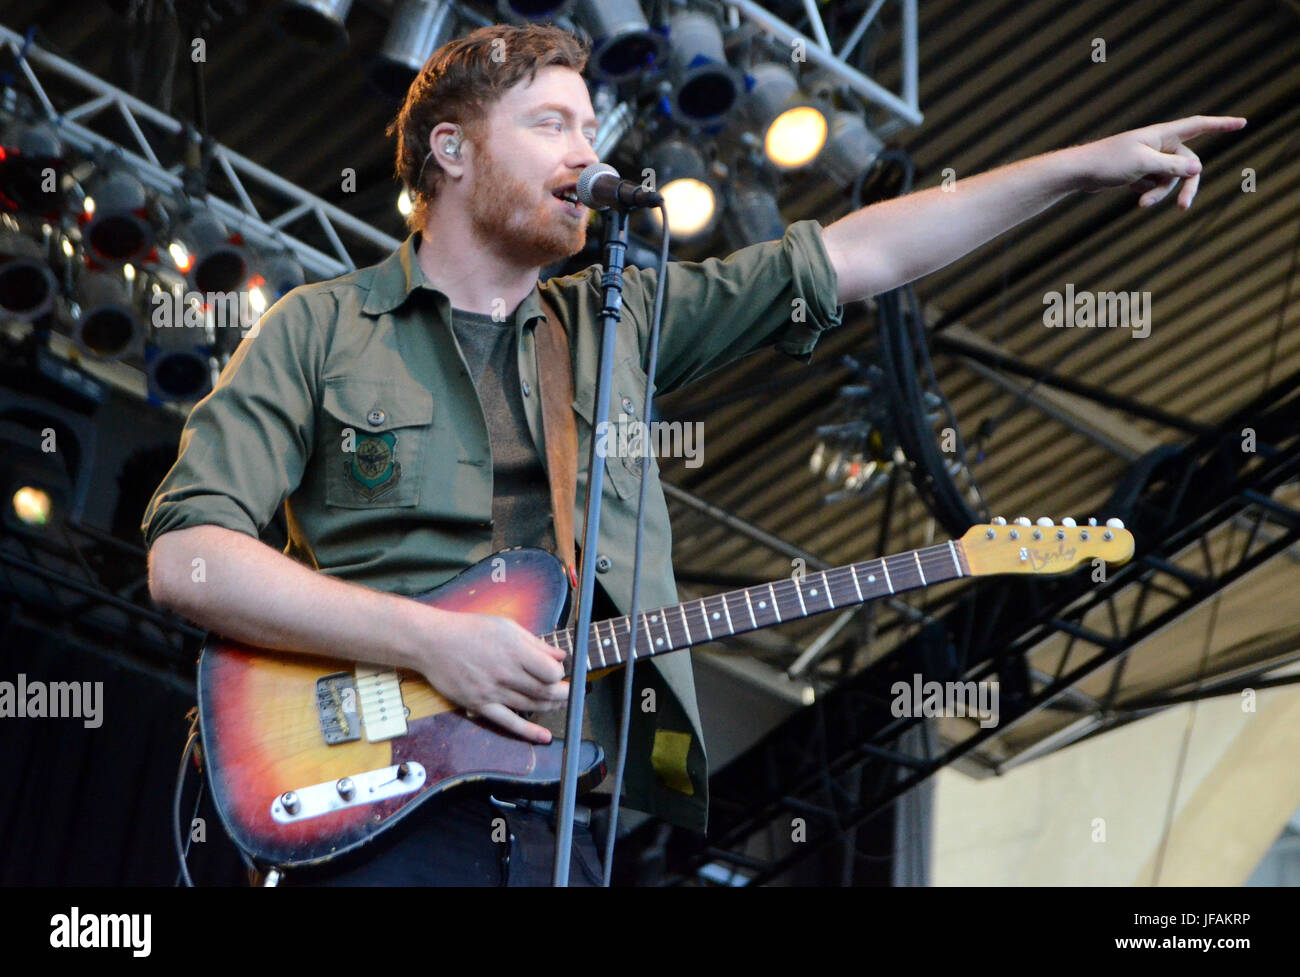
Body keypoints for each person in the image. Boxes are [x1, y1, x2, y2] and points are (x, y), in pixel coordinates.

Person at [141, 21, 1245, 885]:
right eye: (553, 126)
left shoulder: (612, 323)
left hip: (563, 808)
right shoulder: (322, 327)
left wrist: (1080, 167)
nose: (588, 154)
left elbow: (855, 255)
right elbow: (186, 558)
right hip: (367, 801)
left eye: (594, 130)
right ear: (451, 150)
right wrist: (428, 639)